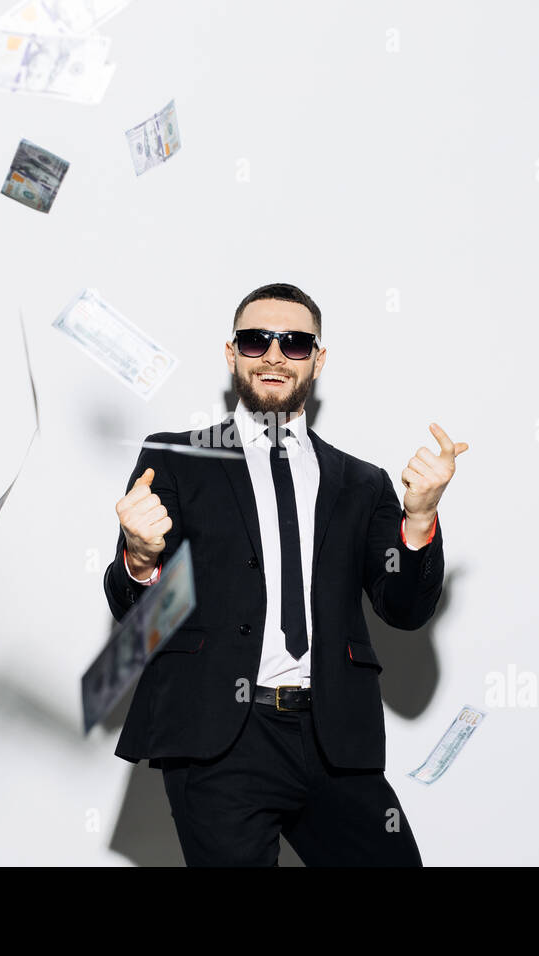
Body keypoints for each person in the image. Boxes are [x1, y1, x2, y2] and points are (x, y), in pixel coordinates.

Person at [104, 282, 466, 866]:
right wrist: (141, 559)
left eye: (295, 343)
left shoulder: (363, 482)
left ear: (317, 360)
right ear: (232, 354)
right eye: (256, 340)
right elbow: (136, 616)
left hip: (334, 737)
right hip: (219, 742)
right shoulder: (174, 458)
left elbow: (404, 609)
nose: (274, 355)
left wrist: (419, 519)